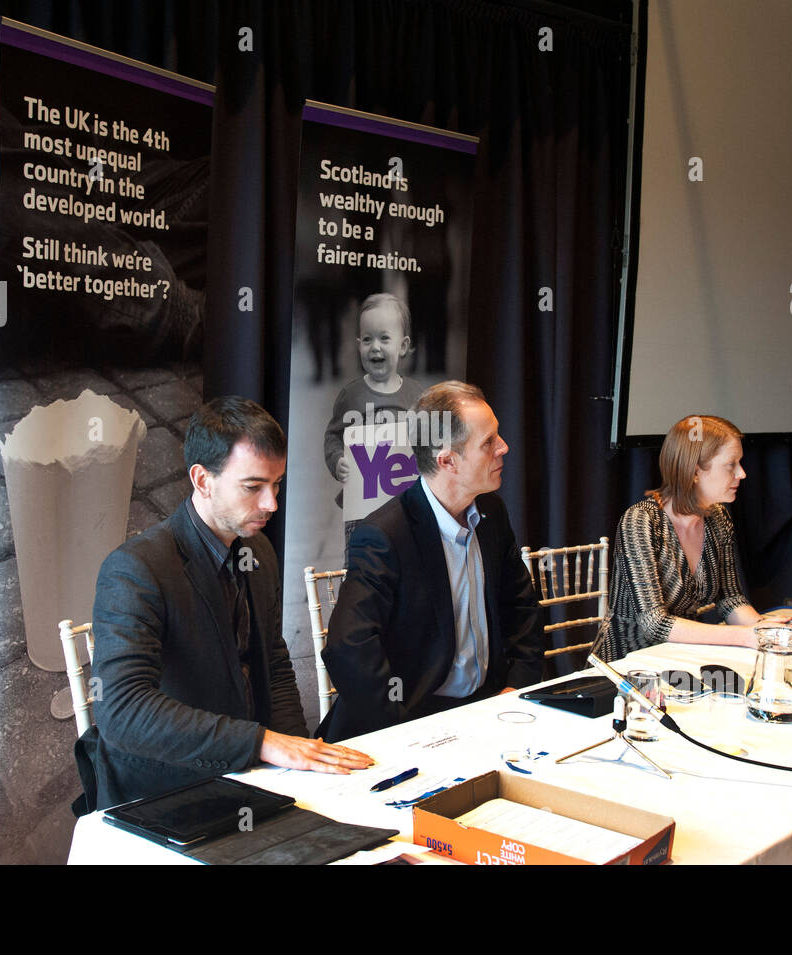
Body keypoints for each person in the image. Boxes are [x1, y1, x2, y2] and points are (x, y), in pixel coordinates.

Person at [77, 397, 372, 812]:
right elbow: (122, 709)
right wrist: (263, 743)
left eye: (278, 484)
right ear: (202, 480)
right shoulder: (135, 568)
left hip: (246, 780)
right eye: (253, 487)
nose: (271, 503)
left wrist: (301, 765)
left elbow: (273, 664)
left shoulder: (259, 552)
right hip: (164, 793)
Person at [317, 381, 545, 743]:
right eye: (488, 442)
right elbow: (349, 646)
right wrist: (404, 727)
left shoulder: (492, 512)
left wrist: (516, 687)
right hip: (414, 721)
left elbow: (521, 610)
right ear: (447, 460)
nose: (504, 447)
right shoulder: (384, 535)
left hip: (487, 711)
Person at [596, 414, 780, 663]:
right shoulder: (642, 521)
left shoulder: (717, 517)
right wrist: (745, 636)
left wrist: (765, 629)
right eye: (731, 464)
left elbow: (730, 599)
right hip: (627, 665)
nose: (742, 474)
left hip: (683, 659)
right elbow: (654, 624)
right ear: (695, 471)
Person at [323, 293, 424, 556]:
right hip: (361, 503)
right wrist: (337, 461)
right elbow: (333, 437)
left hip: (404, 501)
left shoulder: (416, 395)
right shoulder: (351, 395)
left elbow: (426, 440)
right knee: (360, 558)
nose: (375, 347)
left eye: (384, 338)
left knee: (407, 556)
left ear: (402, 346)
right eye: (367, 339)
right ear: (358, 345)